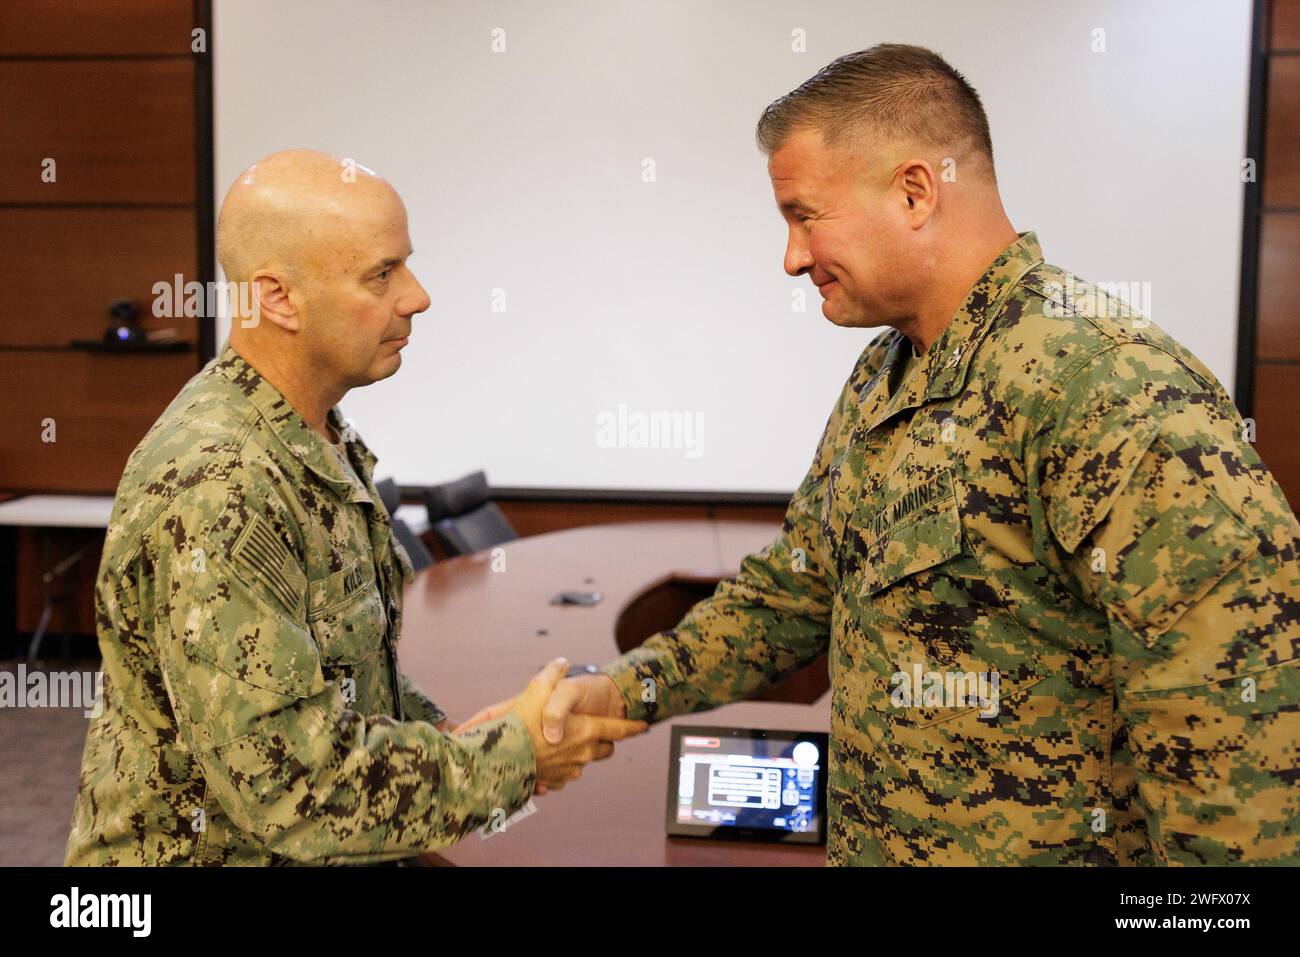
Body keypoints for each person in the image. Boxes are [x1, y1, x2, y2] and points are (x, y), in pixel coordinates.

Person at [513, 45, 1300, 865]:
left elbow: (1239, 748)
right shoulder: (887, 373)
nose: (790, 257)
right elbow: (796, 590)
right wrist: (623, 689)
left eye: (804, 215)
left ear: (916, 191)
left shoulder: (1106, 384)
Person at [66, 150, 645, 866]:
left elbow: (344, 669)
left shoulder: (312, 431)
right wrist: (512, 758)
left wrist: (462, 737)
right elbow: (290, 789)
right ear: (278, 299)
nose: (418, 295)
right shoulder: (219, 482)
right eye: (382, 273)